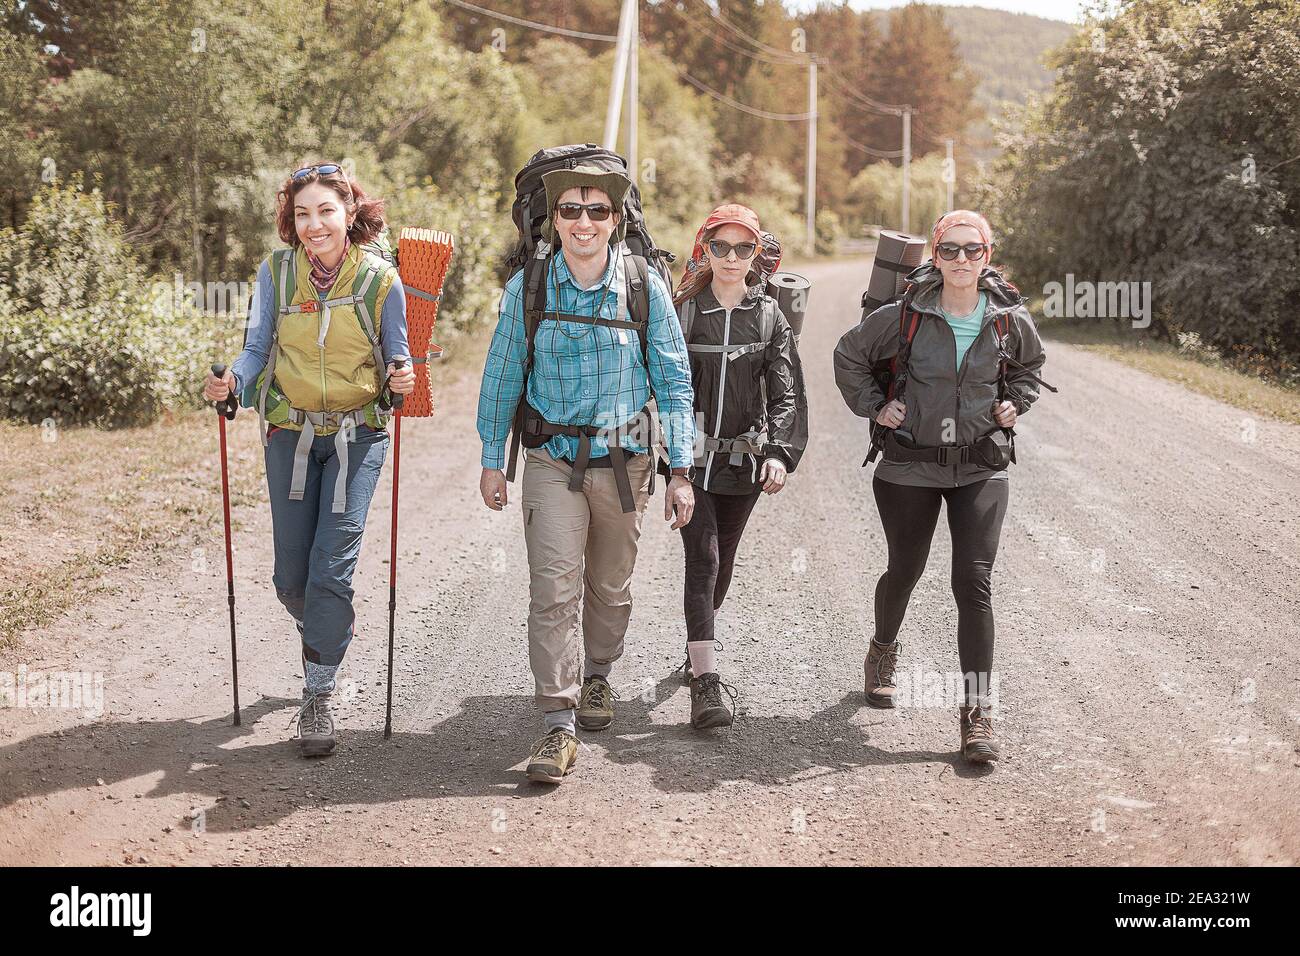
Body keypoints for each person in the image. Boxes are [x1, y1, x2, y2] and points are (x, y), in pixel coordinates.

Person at [476, 164, 696, 784]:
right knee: (553, 588)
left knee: (609, 587)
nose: (583, 222)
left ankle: (598, 673)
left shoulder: (643, 286)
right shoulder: (529, 288)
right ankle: (557, 719)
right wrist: (493, 457)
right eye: (571, 210)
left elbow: (676, 384)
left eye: (597, 211)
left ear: (616, 220)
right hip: (550, 460)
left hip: (626, 463)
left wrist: (681, 470)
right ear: (554, 221)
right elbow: (502, 375)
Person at [202, 163, 413, 757]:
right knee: (290, 580)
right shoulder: (275, 273)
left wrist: (403, 377)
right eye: (302, 213)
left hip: (357, 439)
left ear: (348, 213)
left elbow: (399, 359)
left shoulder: (379, 280)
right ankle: (328, 627)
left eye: (325, 211)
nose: (314, 224)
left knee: (329, 572)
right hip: (289, 437)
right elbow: (254, 349)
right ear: (290, 222)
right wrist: (233, 385)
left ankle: (318, 692)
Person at [833, 210, 1047, 764]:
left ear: (987, 255)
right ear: (935, 254)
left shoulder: (1006, 317)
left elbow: (1030, 368)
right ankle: (883, 648)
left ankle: (977, 715)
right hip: (910, 464)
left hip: (981, 464)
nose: (960, 260)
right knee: (906, 568)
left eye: (971, 250)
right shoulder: (904, 312)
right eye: (949, 250)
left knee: (973, 583)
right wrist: (878, 408)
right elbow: (848, 355)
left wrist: (1013, 404)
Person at [670, 204, 808, 729]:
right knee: (702, 559)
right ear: (705, 250)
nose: (731, 258)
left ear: (756, 255)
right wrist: (675, 465)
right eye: (721, 247)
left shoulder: (770, 317)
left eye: (743, 248)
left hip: (745, 463)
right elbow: (667, 388)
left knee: (722, 563)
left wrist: (777, 452)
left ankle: (695, 647)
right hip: (693, 459)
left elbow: (785, 393)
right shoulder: (683, 313)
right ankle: (706, 684)